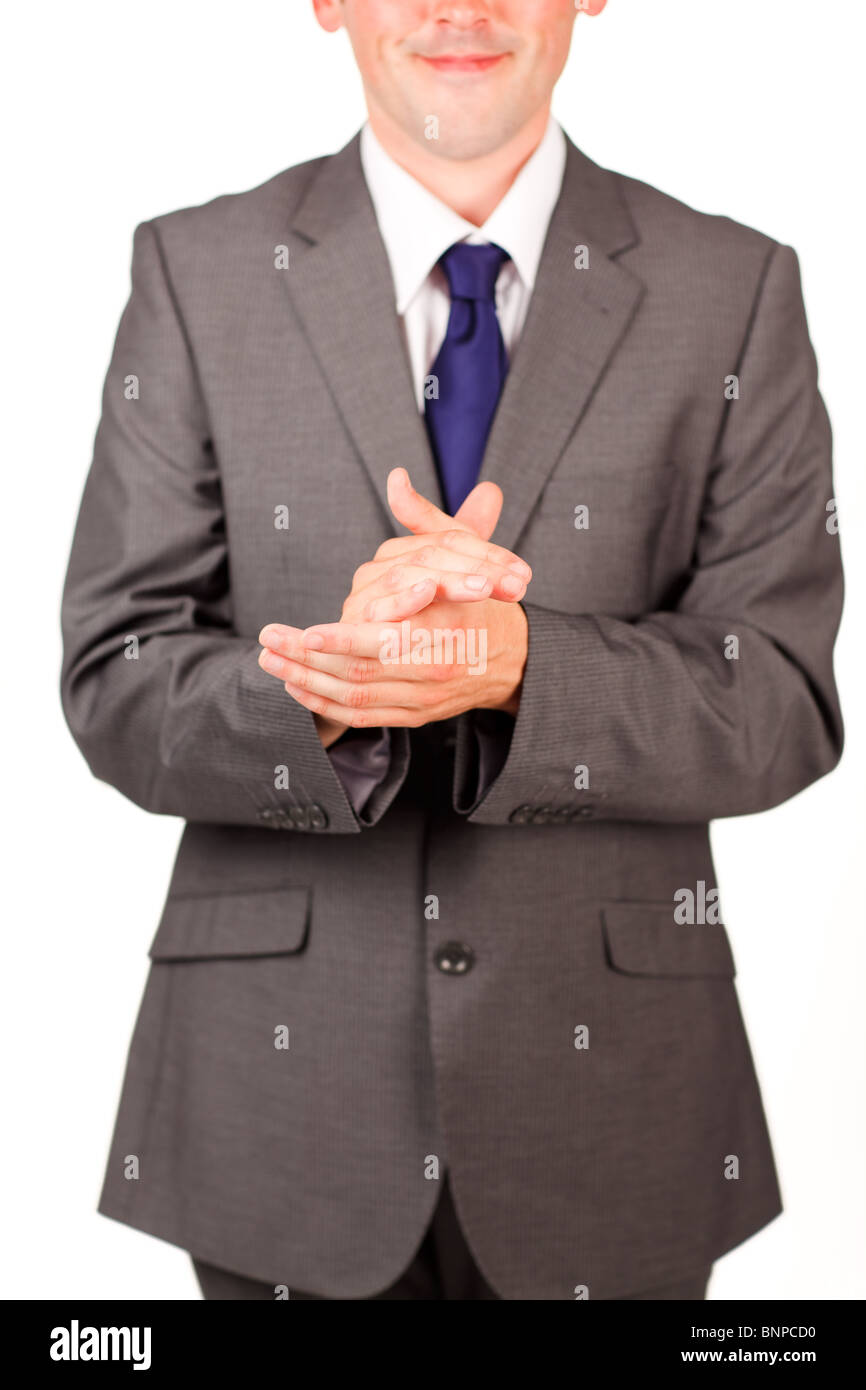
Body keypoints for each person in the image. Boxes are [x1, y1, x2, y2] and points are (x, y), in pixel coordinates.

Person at [60, 0, 843, 1300]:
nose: (456, 8)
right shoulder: (196, 270)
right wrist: (325, 693)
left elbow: (780, 695)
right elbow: (116, 669)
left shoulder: (735, 286)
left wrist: (525, 668)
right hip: (277, 1114)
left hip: (614, 1112)